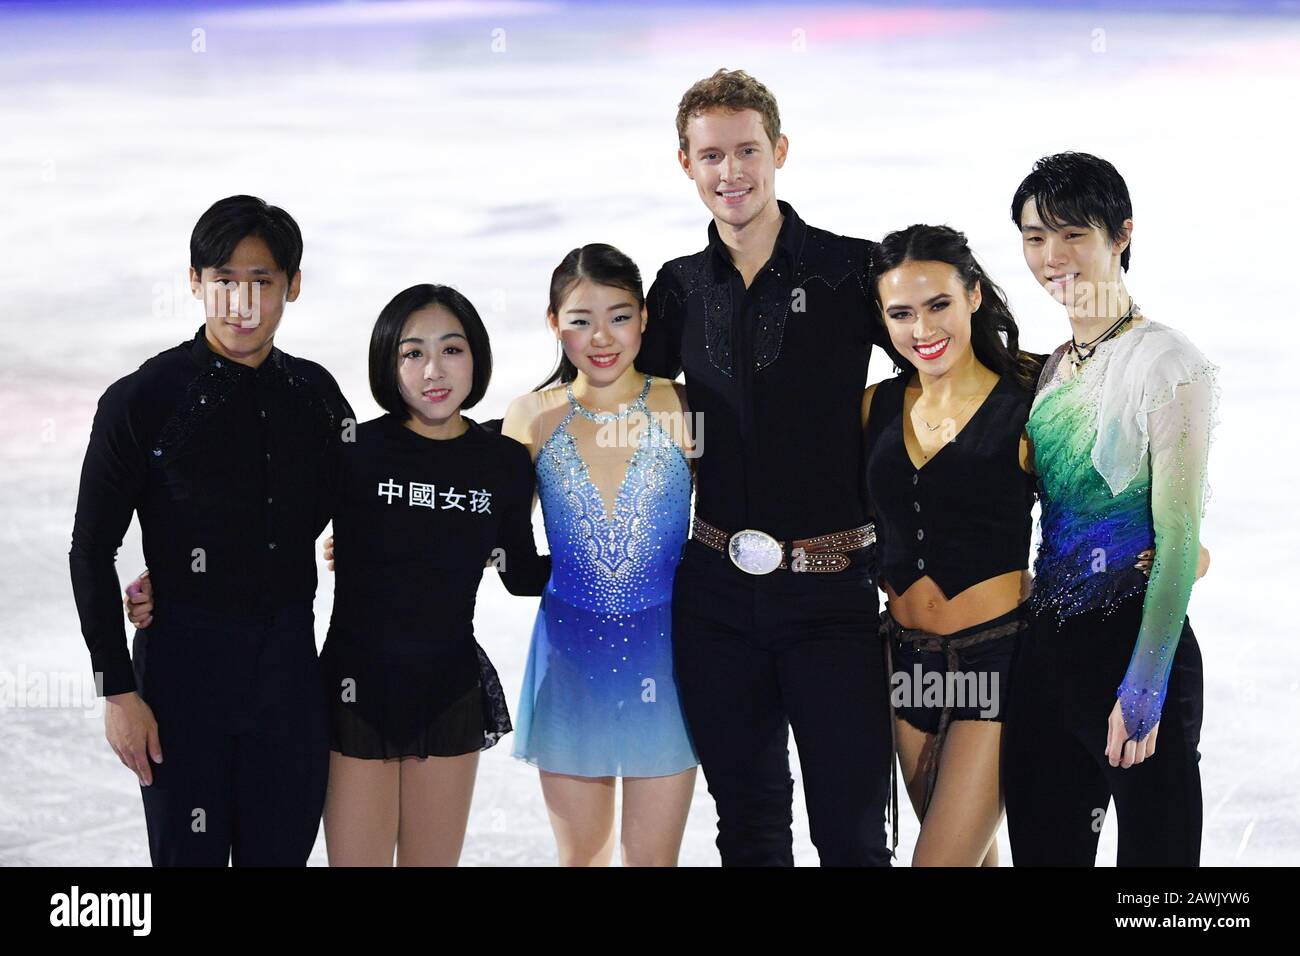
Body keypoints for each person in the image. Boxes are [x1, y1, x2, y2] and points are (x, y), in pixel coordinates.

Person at [126, 284, 552, 866]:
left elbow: (524, 572)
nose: (434, 370)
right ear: (387, 361)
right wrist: (176, 575)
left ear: (476, 357)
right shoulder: (355, 450)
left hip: (449, 692)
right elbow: (271, 525)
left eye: (452, 350)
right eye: (412, 353)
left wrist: (632, 569)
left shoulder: (502, 461)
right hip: (357, 695)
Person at [636, 68, 893, 866]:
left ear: (779, 150)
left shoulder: (852, 271)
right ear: (685, 162)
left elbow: (952, 364)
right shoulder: (678, 287)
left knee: (851, 836)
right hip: (714, 597)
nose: (731, 172)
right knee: (748, 829)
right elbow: (599, 393)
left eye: (748, 150)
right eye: (711, 155)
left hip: (832, 596)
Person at [69, 195, 353, 866]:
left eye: (263, 281)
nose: (242, 301)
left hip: (287, 682)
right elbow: (90, 550)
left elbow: (368, 502)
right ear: (194, 282)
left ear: (294, 285)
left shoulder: (316, 397)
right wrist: (117, 690)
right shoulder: (143, 400)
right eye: (225, 280)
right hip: (180, 684)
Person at [1002, 152, 1218, 865]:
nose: (1052, 256)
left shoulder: (1168, 363)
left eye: (1073, 234)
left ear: (1121, 234)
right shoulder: (1052, 368)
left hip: (1136, 649)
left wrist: (1145, 687)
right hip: (1048, 659)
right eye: (1036, 237)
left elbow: (1181, 536)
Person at [502, 243, 699, 867]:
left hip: (667, 660)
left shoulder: (684, 405)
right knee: (580, 860)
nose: (601, 337)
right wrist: (377, 545)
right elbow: (489, 522)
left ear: (644, 317)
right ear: (554, 323)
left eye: (618, 316)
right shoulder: (531, 416)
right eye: (580, 320)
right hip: (570, 658)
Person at [863, 224, 1040, 865]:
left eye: (938, 304)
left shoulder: (1032, 399)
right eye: (901, 313)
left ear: (973, 295)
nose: (922, 328)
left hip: (999, 658)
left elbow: (1091, 511)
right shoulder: (873, 407)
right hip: (906, 665)